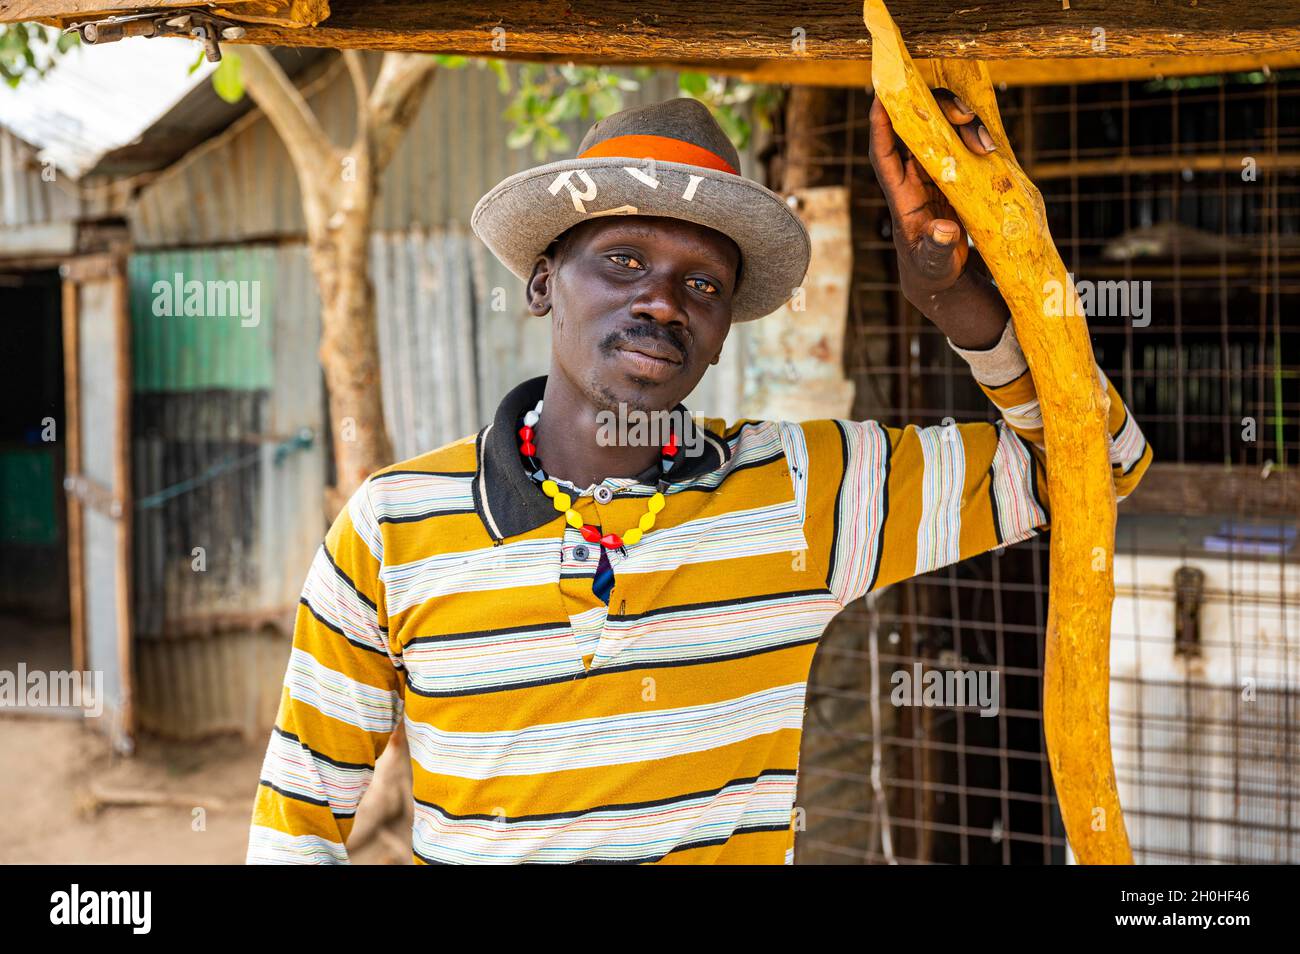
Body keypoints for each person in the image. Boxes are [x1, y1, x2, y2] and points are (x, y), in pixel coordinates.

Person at [247, 95, 1152, 864]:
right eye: (625, 261)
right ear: (540, 283)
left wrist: (954, 297)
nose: (661, 302)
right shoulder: (391, 526)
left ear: (721, 334)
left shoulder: (803, 494)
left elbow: (1096, 460)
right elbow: (297, 819)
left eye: (704, 286)